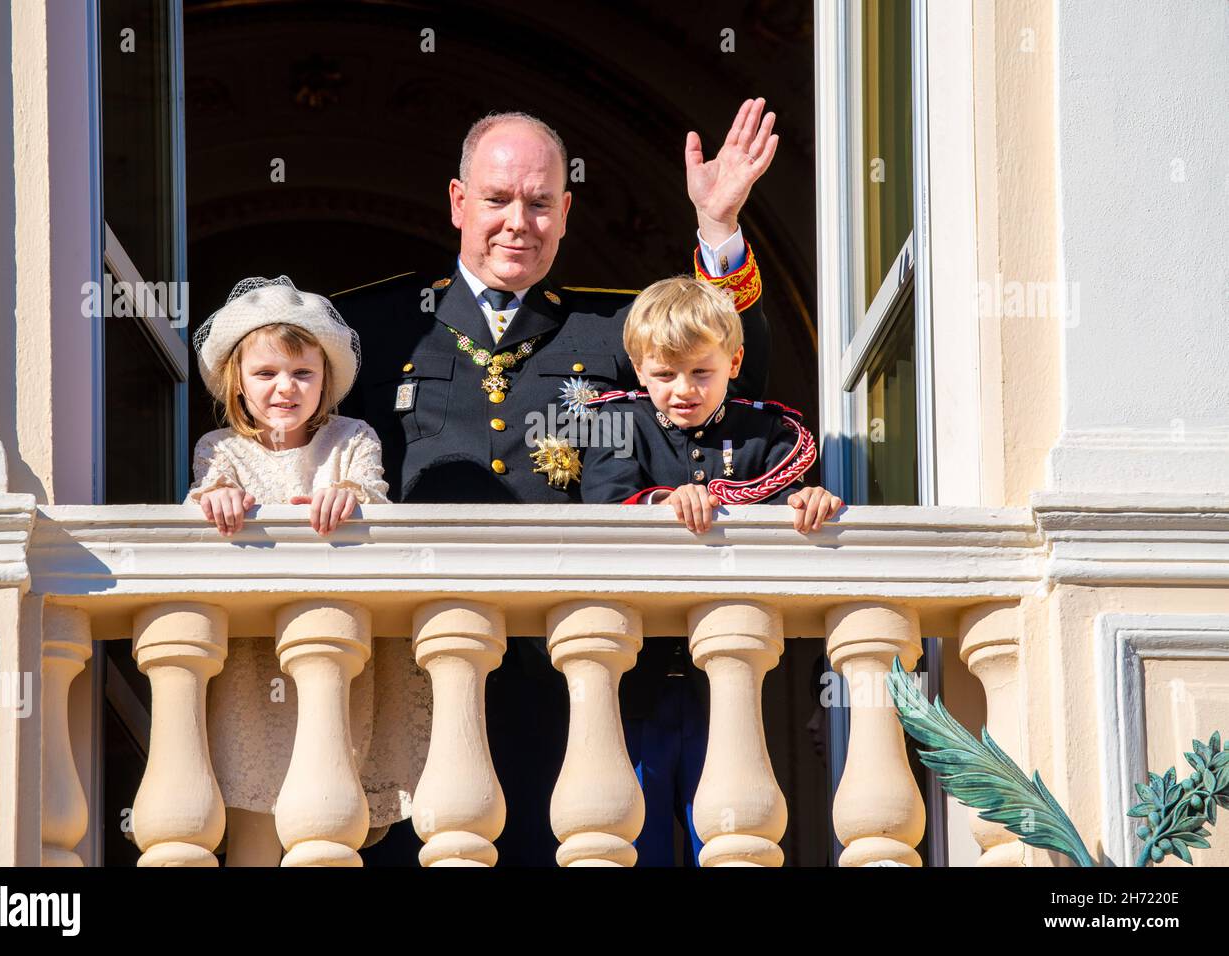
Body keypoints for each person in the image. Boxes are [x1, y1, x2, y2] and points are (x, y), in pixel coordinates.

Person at [332, 99, 779, 866]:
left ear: (566, 212)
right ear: (458, 202)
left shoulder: (610, 332)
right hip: (417, 669)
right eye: (499, 199)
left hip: (569, 671)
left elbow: (735, 377)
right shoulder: (373, 327)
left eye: (540, 203)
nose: (519, 221)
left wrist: (718, 229)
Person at [580, 275, 843, 865]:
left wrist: (805, 503)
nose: (682, 391)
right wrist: (662, 502)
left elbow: (781, 497)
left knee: (730, 838)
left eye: (702, 372)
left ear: (735, 361)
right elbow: (604, 500)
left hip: (724, 687)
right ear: (638, 369)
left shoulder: (766, 431)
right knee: (630, 841)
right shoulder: (616, 421)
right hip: (636, 680)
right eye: (664, 375)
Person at [187, 275, 432, 866]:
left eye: (302, 373)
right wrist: (215, 499)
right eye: (266, 374)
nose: (284, 388)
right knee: (255, 828)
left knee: (327, 821)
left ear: (326, 381)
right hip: (253, 669)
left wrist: (349, 495)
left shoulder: (352, 439)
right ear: (237, 383)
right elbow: (204, 501)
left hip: (337, 658)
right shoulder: (220, 450)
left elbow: (372, 495)